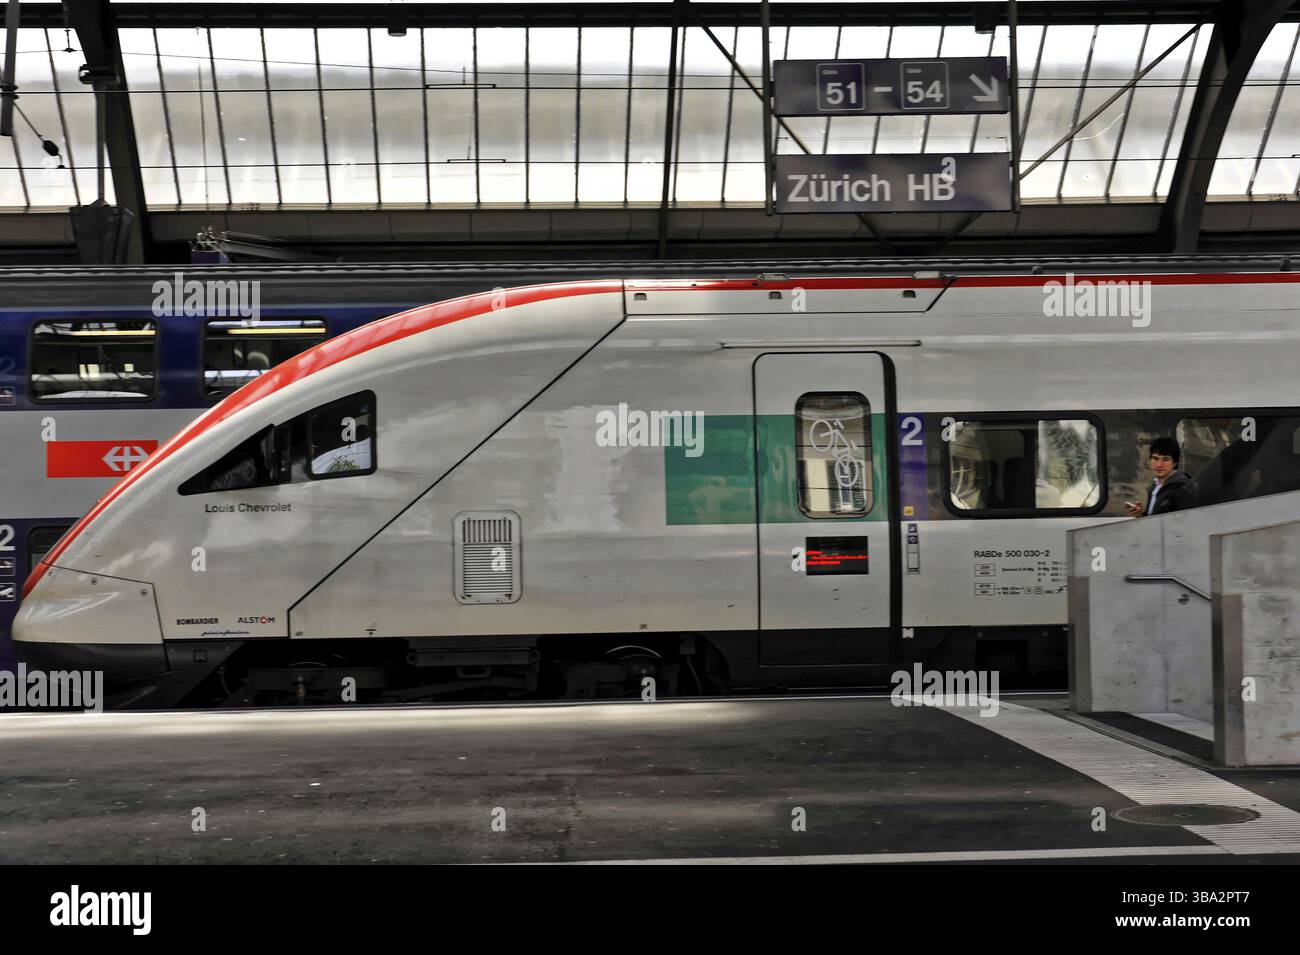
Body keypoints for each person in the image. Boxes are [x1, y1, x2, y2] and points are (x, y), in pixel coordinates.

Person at [1125, 437, 1197, 517]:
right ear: (1150, 460)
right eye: (1155, 458)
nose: (1159, 464)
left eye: (1165, 459)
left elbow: (1183, 523)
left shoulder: (1182, 489)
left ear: (1174, 463)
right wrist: (1141, 515)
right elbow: (1155, 520)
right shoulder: (1154, 487)